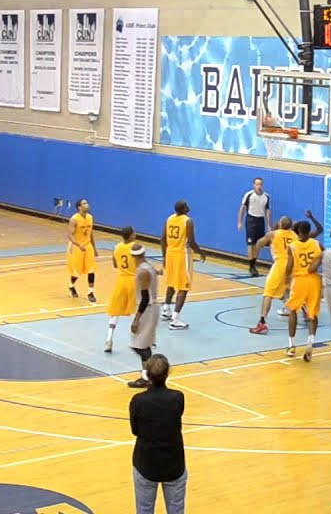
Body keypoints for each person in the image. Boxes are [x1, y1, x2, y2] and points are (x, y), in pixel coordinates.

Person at [130, 353, 186, 514]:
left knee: (144, 509)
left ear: (147, 375)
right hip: (173, 463)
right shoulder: (177, 397)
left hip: (146, 463)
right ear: (167, 374)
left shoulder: (138, 400)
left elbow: (135, 430)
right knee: (176, 509)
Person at [247, 217, 297, 335]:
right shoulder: (295, 235)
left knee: (268, 294)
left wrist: (257, 250)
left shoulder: (273, 234)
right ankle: (305, 311)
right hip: (294, 265)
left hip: (280, 265)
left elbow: (259, 243)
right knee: (287, 290)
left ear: (280, 224)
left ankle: (262, 323)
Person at [283, 219, 324, 360]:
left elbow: (289, 265)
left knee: (293, 311)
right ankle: (310, 343)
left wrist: (286, 280)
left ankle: (291, 345)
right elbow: (325, 256)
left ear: (298, 231)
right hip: (314, 281)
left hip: (299, 280)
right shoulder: (317, 244)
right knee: (313, 314)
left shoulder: (292, 246)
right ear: (308, 230)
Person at [161, 200, 204, 330]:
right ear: (184, 209)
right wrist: (201, 252)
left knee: (171, 283)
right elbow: (191, 242)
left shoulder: (169, 219)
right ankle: (175, 320)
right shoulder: (188, 221)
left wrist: (164, 257)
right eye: (186, 206)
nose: (188, 207)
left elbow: (162, 239)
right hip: (182, 255)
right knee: (184, 287)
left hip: (170, 253)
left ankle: (166, 309)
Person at [128, 242, 162, 388]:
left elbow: (145, 298)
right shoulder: (147, 266)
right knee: (142, 346)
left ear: (132, 256)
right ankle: (148, 376)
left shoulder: (143, 271)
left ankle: (148, 377)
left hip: (147, 309)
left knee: (140, 346)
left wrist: (136, 318)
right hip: (148, 308)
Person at [105, 226, 139, 353]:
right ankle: (138, 341)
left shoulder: (117, 247)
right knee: (136, 311)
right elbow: (142, 264)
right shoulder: (136, 247)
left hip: (121, 281)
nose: (135, 234)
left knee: (115, 312)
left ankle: (109, 339)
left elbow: (115, 264)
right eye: (134, 232)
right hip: (134, 281)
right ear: (130, 235)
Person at [236, 177, 270, 276]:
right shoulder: (249, 195)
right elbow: (242, 208)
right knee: (250, 244)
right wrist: (240, 222)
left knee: (258, 244)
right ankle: (251, 266)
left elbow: (267, 210)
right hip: (251, 220)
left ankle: (254, 263)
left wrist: (268, 224)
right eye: (257, 184)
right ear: (254, 185)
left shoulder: (266, 196)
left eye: (260, 184)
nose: (259, 186)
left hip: (260, 220)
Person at [66, 198, 97, 302]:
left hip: (88, 246)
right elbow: (70, 235)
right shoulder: (74, 219)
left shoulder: (90, 217)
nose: (87, 205)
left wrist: (94, 248)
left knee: (91, 270)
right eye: (84, 203)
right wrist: (78, 245)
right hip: (77, 247)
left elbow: (91, 234)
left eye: (87, 203)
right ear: (79, 207)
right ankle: (71, 285)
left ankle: (90, 292)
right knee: (77, 272)